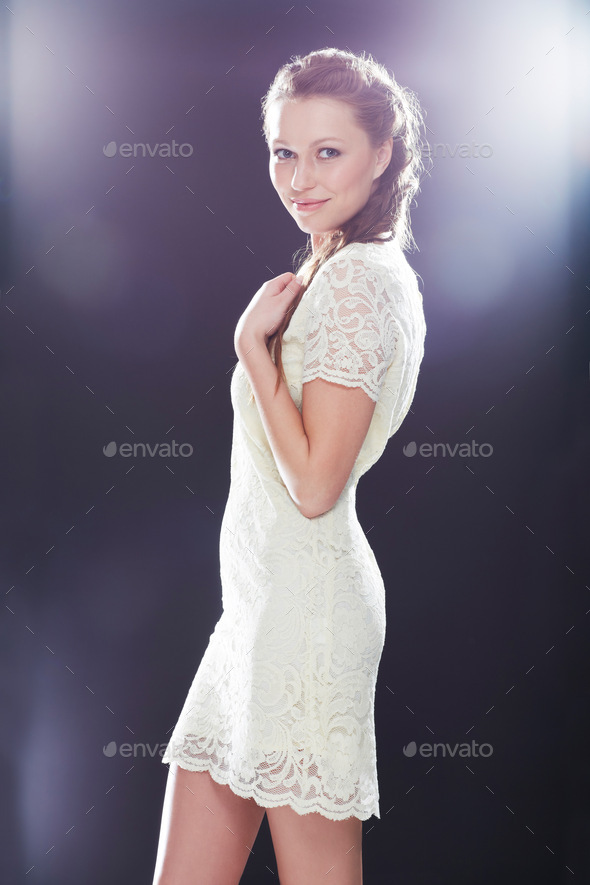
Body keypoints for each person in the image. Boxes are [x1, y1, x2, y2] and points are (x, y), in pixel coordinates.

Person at [152, 46, 428, 885]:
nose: (299, 176)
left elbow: (314, 485)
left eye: (328, 151)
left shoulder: (357, 285)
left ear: (382, 154)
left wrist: (251, 351)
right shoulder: (331, 268)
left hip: (307, 617)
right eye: (283, 149)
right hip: (255, 614)